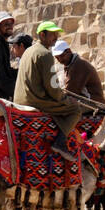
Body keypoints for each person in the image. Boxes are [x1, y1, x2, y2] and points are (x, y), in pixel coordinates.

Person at [14, 21, 82, 160]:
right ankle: (60, 143)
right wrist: (66, 100)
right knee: (76, 109)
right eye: (53, 34)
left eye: (56, 34)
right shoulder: (45, 54)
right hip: (35, 101)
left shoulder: (28, 51)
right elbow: (52, 89)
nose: (56, 38)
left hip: (21, 98)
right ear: (42, 35)